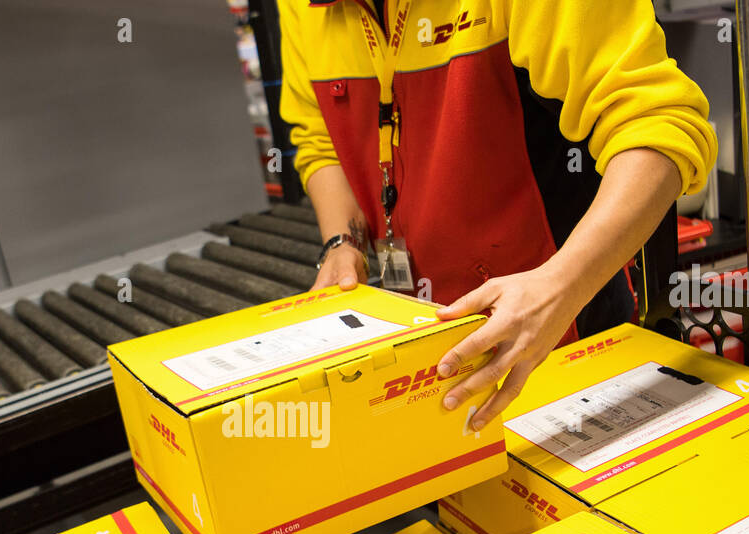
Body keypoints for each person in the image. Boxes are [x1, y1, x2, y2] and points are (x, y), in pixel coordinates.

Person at [277, 0, 717, 430]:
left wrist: (562, 285)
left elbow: (660, 125)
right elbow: (318, 138)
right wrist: (343, 242)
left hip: (564, 330)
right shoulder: (301, 6)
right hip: (422, 345)